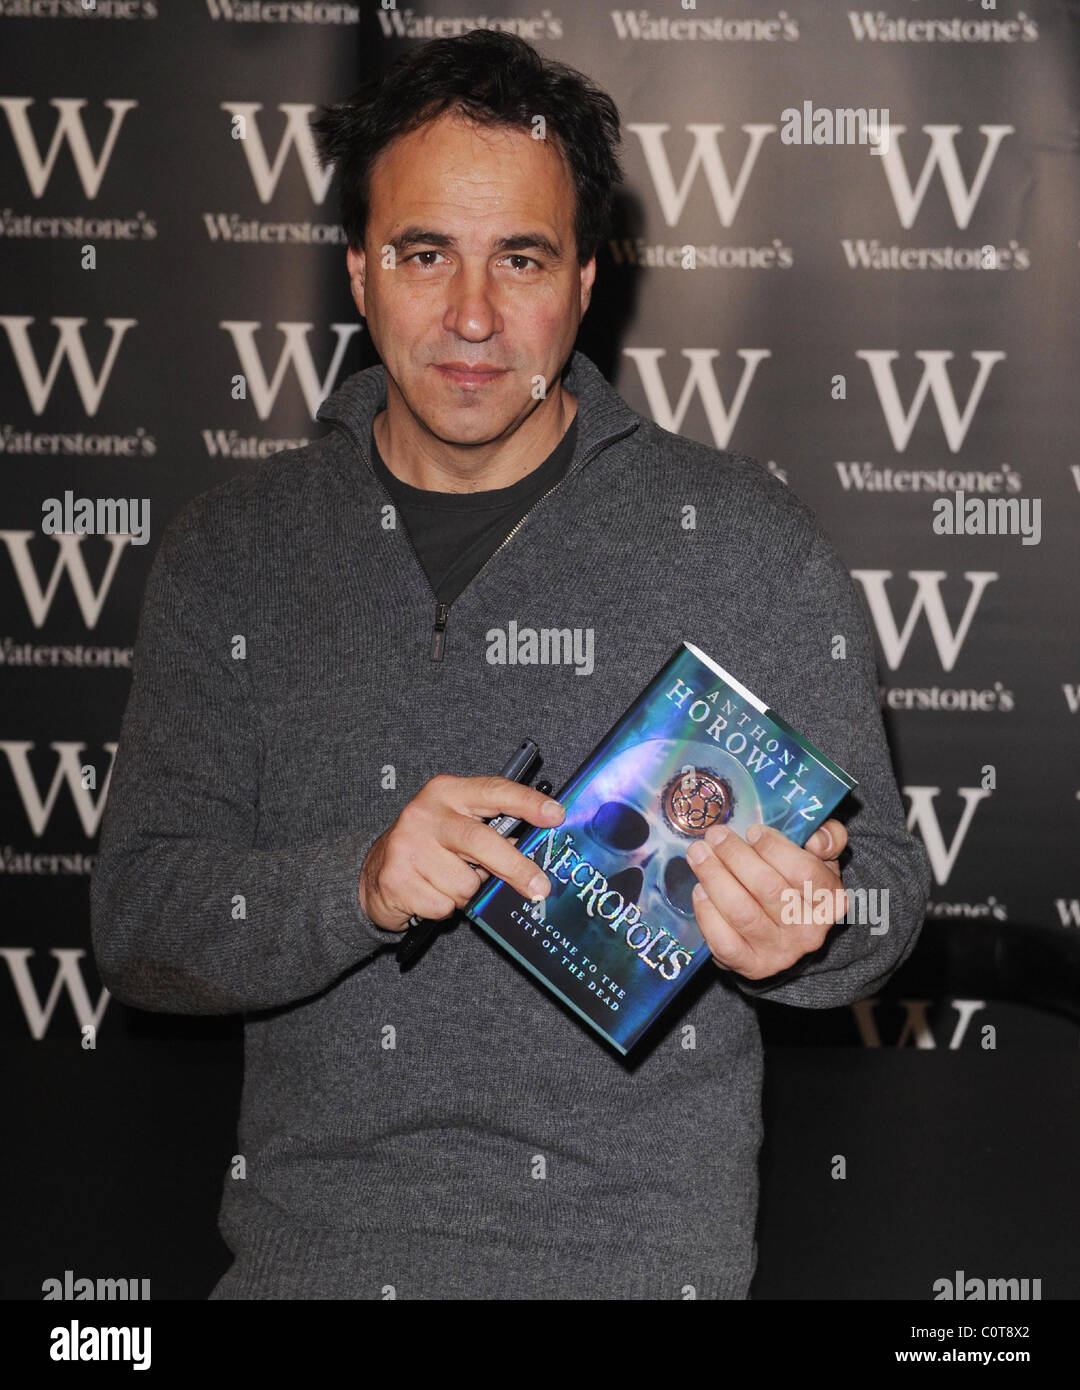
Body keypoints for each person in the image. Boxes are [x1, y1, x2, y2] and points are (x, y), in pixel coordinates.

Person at [90, 30, 930, 1300]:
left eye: (521, 259)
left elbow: (889, 902)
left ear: (585, 280)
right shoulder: (233, 553)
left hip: (638, 1271)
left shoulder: (748, 541)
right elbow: (140, 922)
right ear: (361, 273)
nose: (472, 316)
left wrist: (808, 931)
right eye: (425, 254)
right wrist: (359, 885)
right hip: (308, 1267)